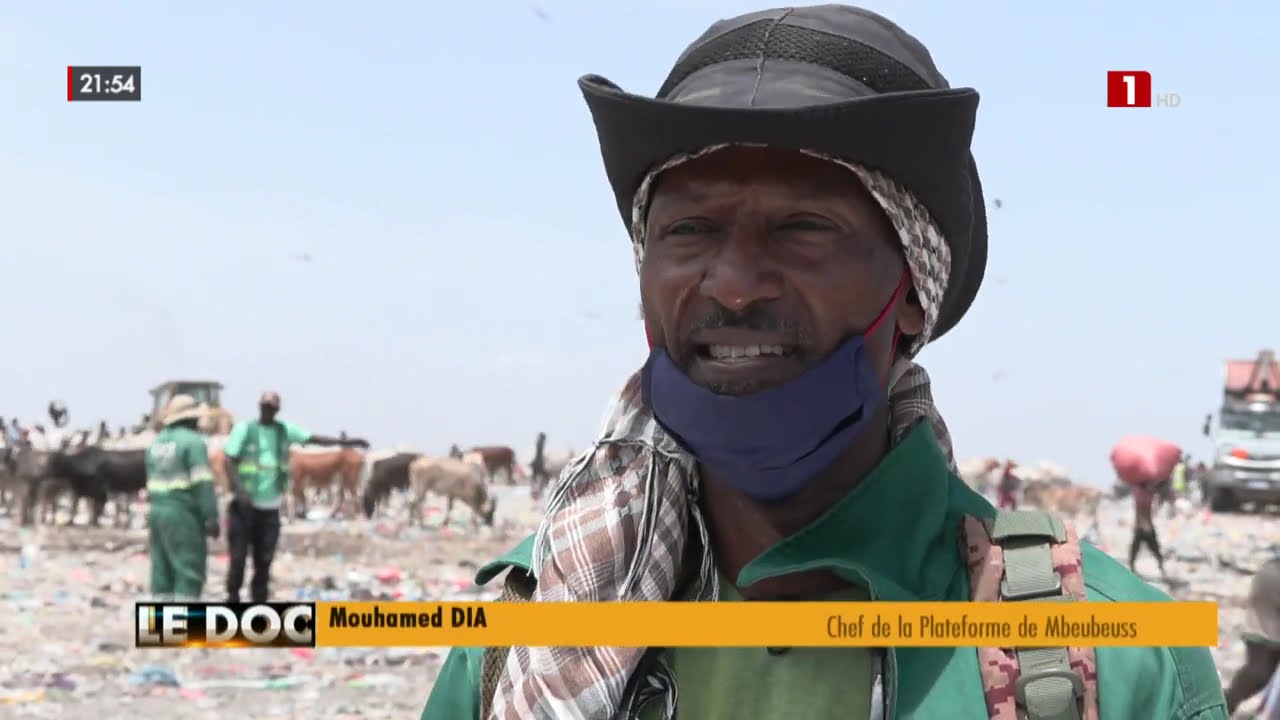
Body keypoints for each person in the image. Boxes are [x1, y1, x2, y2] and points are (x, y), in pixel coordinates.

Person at [422, 5, 1226, 719]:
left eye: (803, 227)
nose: (733, 287)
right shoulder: (529, 626)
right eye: (689, 231)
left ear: (911, 291)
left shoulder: (1107, 661)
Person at [221, 391, 368, 603]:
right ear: (259, 407)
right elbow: (229, 459)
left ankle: (258, 605)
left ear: (277, 410)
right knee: (238, 559)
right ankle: (232, 598)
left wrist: (346, 442)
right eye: (265, 406)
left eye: (271, 407)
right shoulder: (245, 430)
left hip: (269, 509)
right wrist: (240, 491)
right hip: (244, 508)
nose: (267, 410)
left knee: (264, 562)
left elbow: (314, 438)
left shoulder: (283, 431)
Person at [145, 395, 220, 600]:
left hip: (157, 512)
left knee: (162, 572)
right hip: (183, 513)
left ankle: (161, 628)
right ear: (190, 419)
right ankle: (185, 628)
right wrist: (211, 517)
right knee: (189, 571)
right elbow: (202, 482)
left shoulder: (156, 444)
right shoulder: (193, 442)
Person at [1227, 558, 1280, 714]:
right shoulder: (1272, 576)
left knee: (1259, 675)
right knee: (1257, 673)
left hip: (1266, 630)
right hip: (1264, 632)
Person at [1130, 477, 1169, 579]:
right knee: (1153, 549)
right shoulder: (1146, 494)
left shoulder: (1139, 493)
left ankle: (1132, 567)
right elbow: (1143, 512)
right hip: (1145, 527)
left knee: (1137, 549)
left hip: (1142, 526)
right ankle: (1161, 568)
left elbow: (1142, 511)